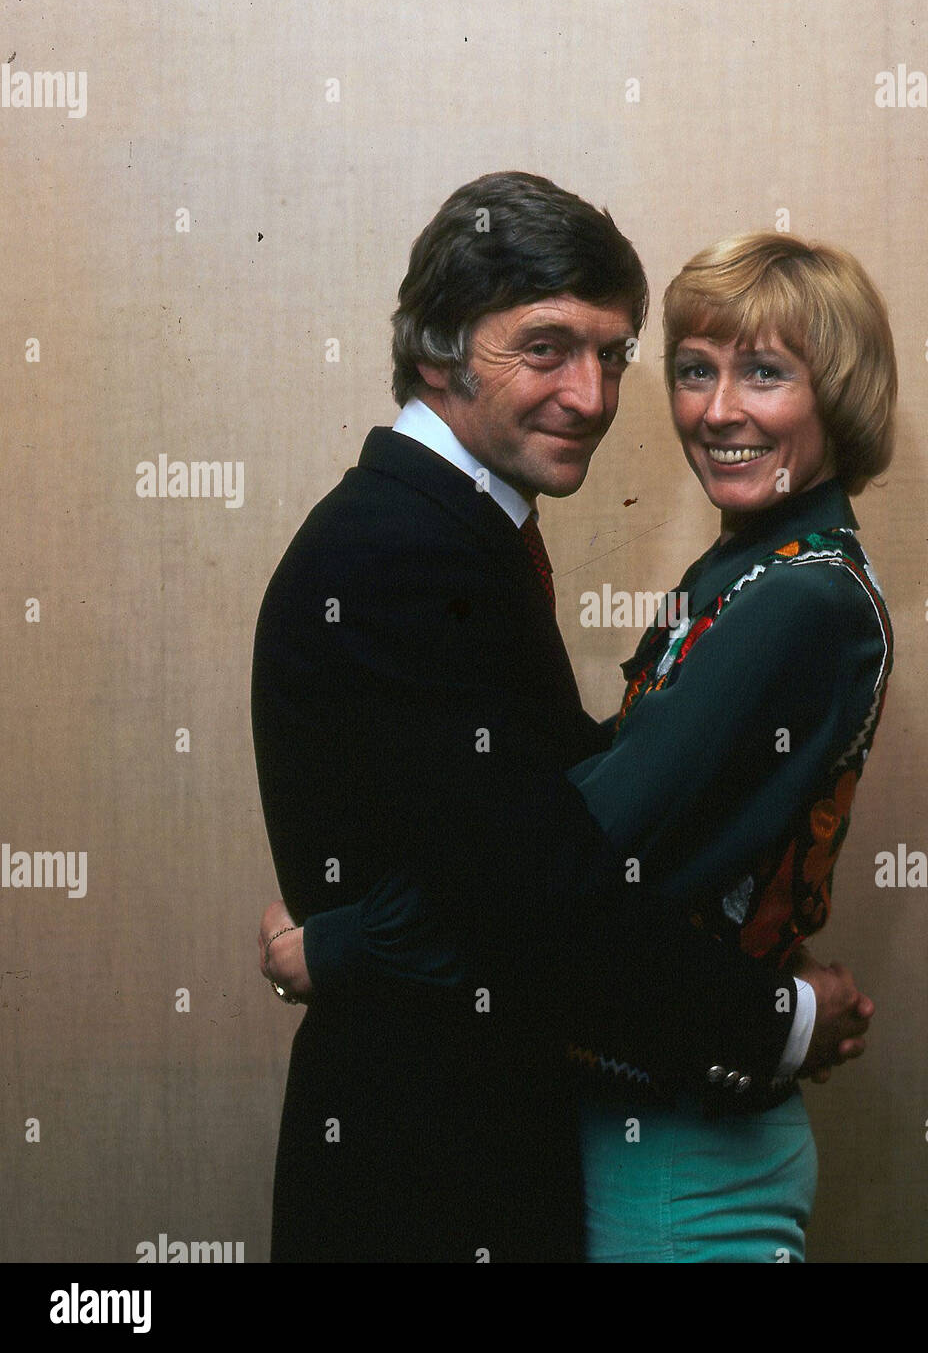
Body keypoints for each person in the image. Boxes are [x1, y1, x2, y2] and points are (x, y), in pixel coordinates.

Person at [251, 173, 872, 1263]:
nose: (590, 395)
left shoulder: (460, 533)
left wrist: (347, 943)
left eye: (614, 352)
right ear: (440, 349)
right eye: (544, 347)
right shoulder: (402, 551)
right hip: (424, 1173)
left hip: (490, 1146)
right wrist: (779, 1020)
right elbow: (543, 889)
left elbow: (548, 834)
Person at [566, 231, 897, 1261]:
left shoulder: (797, 594)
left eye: (763, 373)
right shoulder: (751, 565)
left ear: (834, 393)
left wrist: (356, 942)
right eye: (695, 371)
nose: (717, 411)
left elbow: (588, 843)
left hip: (685, 1153)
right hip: (668, 1117)